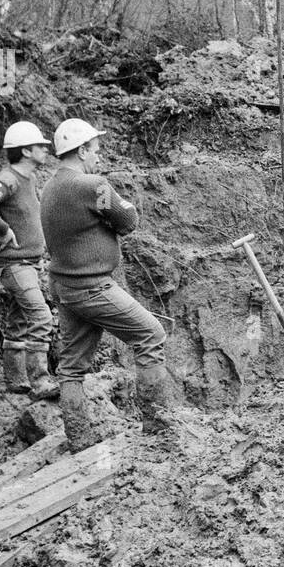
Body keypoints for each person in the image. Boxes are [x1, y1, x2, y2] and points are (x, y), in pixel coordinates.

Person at [39, 118, 179, 450]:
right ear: (82, 149)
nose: (99, 156)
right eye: (95, 150)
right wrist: (122, 208)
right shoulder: (93, 185)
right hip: (91, 286)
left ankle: (80, 437)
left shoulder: (51, 187)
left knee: (71, 366)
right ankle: (159, 430)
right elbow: (127, 220)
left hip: (65, 287)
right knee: (151, 334)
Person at [0, 121, 59, 401]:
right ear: (26, 150)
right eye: (40, 146)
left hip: (29, 264)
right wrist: (3, 229)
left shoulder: (28, 179)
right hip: (14, 265)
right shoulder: (8, 180)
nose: (45, 150)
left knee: (19, 320)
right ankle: (40, 380)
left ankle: (16, 380)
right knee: (41, 316)